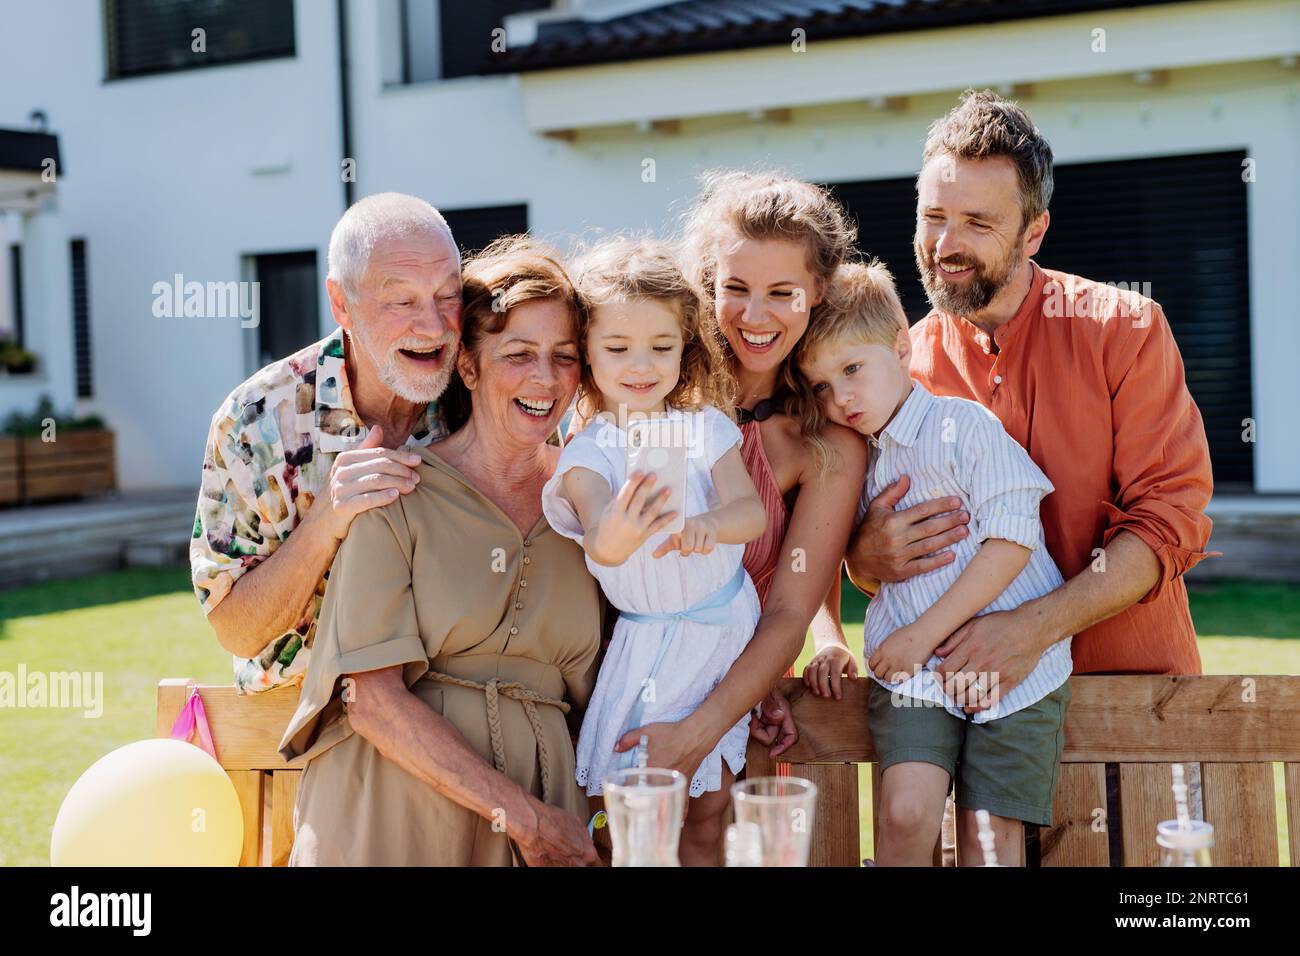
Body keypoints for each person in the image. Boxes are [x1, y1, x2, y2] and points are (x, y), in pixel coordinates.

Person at [845, 90, 1215, 853]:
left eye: (979, 223)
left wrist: (1033, 628)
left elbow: (1170, 521)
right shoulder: (892, 367)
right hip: (964, 712)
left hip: (1129, 702)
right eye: (934, 217)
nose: (947, 243)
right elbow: (850, 529)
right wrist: (860, 556)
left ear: (1033, 229)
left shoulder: (1126, 329)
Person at [277, 236, 602, 866]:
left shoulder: (591, 506)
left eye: (564, 356)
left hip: (548, 831)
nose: (545, 377)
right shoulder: (394, 491)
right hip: (395, 820)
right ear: (470, 368)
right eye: (519, 354)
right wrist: (527, 820)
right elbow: (369, 699)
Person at [790, 260, 1072, 866]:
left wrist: (922, 633)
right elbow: (813, 559)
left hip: (1015, 667)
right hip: (914, 675)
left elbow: (1012, 540)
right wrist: (829, 637)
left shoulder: (962, 425)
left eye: (852, 369)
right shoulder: (847, 462)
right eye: (820, 386)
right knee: (904, 813)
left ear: (901, 345)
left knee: (988, 842)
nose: (840, 396)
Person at [610, 171, 867, 776]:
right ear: (708, 283)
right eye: (737, 288)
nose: (756, 315)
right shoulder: (653, 391)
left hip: (735, 715)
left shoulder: (828, 446)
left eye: (783, 292)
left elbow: (788, 611)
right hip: (618, 688)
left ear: (818, 292)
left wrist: (700, 731)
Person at [541, 238, 766, 865]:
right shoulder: (591, 451)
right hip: (648, 646)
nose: (640, 366)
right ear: (586, 350)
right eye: (617, 349)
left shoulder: (707, 428)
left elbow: (751, 513)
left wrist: (711, 526)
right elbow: (603, 549)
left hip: (719, 638)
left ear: (685, 348)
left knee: (711, 803)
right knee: (632, 808)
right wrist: (626, 520)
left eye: (661, 348)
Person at [191, 193, 461, 694]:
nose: (434, 325)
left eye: (448, 295)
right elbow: (236, 631)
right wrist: (325, 523)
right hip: (301, 739)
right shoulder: (254, 422)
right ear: (342, 304)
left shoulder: (485, 395)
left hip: (460, 724)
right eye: (402, 300)